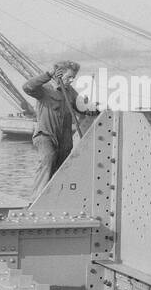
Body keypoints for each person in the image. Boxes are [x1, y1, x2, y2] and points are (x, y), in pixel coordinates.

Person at [22, 61, 99, 201]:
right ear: (59, 74)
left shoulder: (70, 92)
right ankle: (36, 200)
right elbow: (28, 87)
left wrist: (92, 108)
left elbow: (81, 107)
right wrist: (48, 75)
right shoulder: (44, 89)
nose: (72, 80)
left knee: (62, 168)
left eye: (73, 77)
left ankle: (55, 199)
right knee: (48, 158)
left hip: (65, 139)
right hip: (45, 135)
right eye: (69, 77)